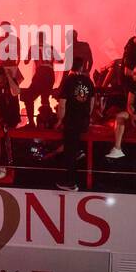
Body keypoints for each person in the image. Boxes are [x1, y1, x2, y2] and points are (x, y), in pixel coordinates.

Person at [55, 56, 96, 191]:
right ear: (82, 67)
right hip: (83, 121)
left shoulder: (68, 81)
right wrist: (87, 117)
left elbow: (62, 104)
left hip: (71, 121)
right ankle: (79, 153)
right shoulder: (88, 82)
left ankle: (70, 182)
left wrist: (60, 120)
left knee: (69, 152)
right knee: (75, 149)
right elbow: (91, 102)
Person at [0, 65, 21, 180]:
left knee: (11, 144)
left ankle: (12, 168)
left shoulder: (12, 82)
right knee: (1, 144)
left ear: (3, 76)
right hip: (0, 120)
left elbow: (16, 92)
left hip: (13, 119)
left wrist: (9, 78)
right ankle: (2, 168)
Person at [22, 28, 60, 125]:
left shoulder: (34, 47)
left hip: (40, 73)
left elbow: (26, 61)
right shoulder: (51, 47)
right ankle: (47, 122)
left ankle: (31, 123)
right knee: (45, 98)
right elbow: (60, 61)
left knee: (28, 97)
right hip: (50, 74)